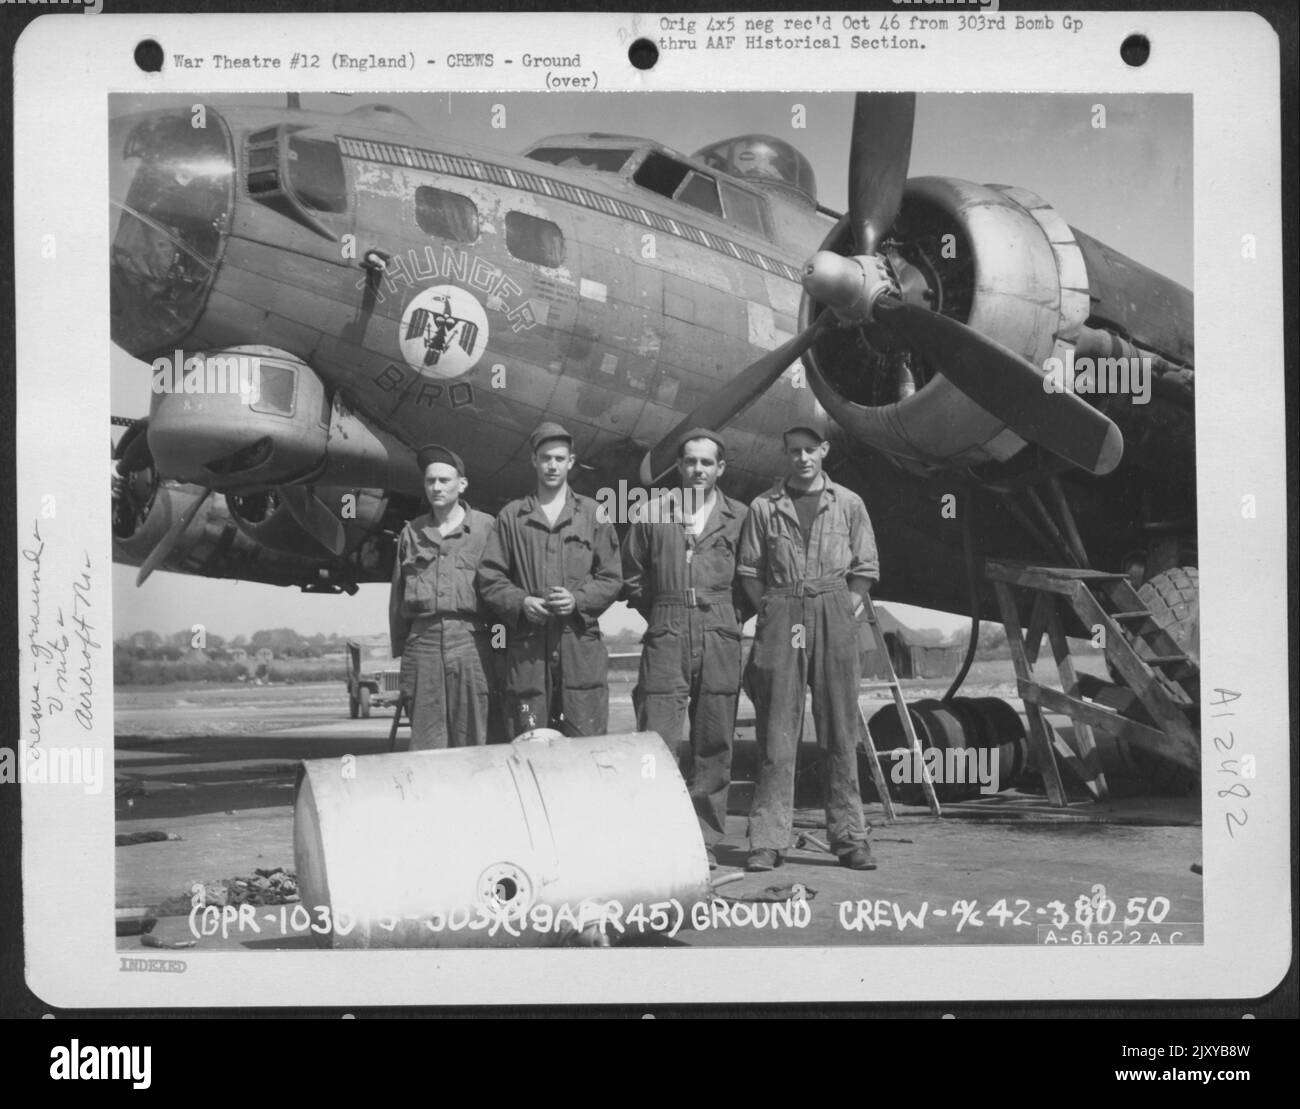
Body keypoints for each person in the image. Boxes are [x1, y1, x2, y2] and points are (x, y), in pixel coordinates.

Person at [737, 425, 880, 872]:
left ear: (824, 451)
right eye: (793, 450)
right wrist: (775, 607)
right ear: (785, 454)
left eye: (809, 450)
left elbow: (866, 566)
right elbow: (749, 569)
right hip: (782, 609)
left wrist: (845, 608)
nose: (801, 457)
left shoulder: (850, 503)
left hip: (833, 607)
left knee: (839, 727)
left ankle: (850, 837)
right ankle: (767, 839)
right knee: (777, 729)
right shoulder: (764, 506)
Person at [622, 429, 751, 869]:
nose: (698, 469)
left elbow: (752, 579)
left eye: (706, 463)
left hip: (720, 633)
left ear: (721, 468)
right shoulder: (652, 513)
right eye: (690, 462)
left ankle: (705, 841)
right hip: (667, 629)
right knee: (656, 740)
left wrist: (727, 619)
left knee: (714, 741)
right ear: (678, 466)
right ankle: (657, 837)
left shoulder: (740, 517)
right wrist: (665, 615)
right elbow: (633, 577)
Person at [477, 422, 622, 736]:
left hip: (579, 644)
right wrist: (521, 601)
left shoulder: (594, 514)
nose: (552, 465)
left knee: (585, 741)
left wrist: (577, 600)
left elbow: (611, 577)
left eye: (559, 458)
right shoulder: (512, 516)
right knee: (527, 736)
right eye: (545, 458)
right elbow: (490, 576)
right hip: (529, 648)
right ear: (534, 461)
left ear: (571, 462)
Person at [389, 444, 498, 749]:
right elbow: (397, 597)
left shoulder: (486, 528)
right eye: (430, 481)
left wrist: (501, 649)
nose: (436, 487)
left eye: (444, 480)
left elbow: (502, 592)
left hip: (471, 642)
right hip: (421, 643)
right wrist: (402, 645)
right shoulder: (412, 532)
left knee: (474, 736)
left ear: (461, 484)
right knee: (426, 740)